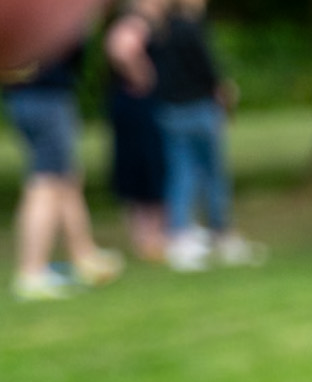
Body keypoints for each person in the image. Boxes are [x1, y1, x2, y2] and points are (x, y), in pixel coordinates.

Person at [4, 39, 124, 299]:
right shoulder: (44, 22)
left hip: (33, 97)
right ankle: (32, 272)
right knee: (46, 183)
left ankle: (84, 256)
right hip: (45, 99)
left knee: (66, 178)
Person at [149, 0, 261, 271]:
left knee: (180, 173)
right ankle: (221, 232)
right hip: (197, 108)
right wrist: (223, 94)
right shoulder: (191, 28)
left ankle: (180, 235)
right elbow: (207, 69)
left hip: (169, 110)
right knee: (211, 173)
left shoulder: (159, 31)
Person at [105, 0, 169, 264]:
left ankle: (149, 237)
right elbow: (122, 50)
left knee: (143, 167)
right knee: (146, 166)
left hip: (132, 105)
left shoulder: (137, 23)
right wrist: (143, 77)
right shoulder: (135, 24)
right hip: (139, 106)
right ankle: (149, 238)